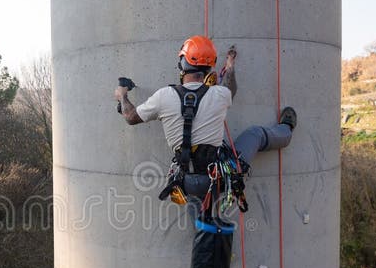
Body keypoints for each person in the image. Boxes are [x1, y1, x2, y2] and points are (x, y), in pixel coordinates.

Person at [114, 35, 296, 209]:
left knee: (201, 212)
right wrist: (230, 65)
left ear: (182, 64)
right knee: (256, 134)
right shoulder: (219, 94)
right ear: (209, 69)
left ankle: (205, 233)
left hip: (186, 181)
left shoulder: (164, 96)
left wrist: (122, 95)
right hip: (217, 177)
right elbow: (230, 89)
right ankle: (286, 130)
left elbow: (130, 117)